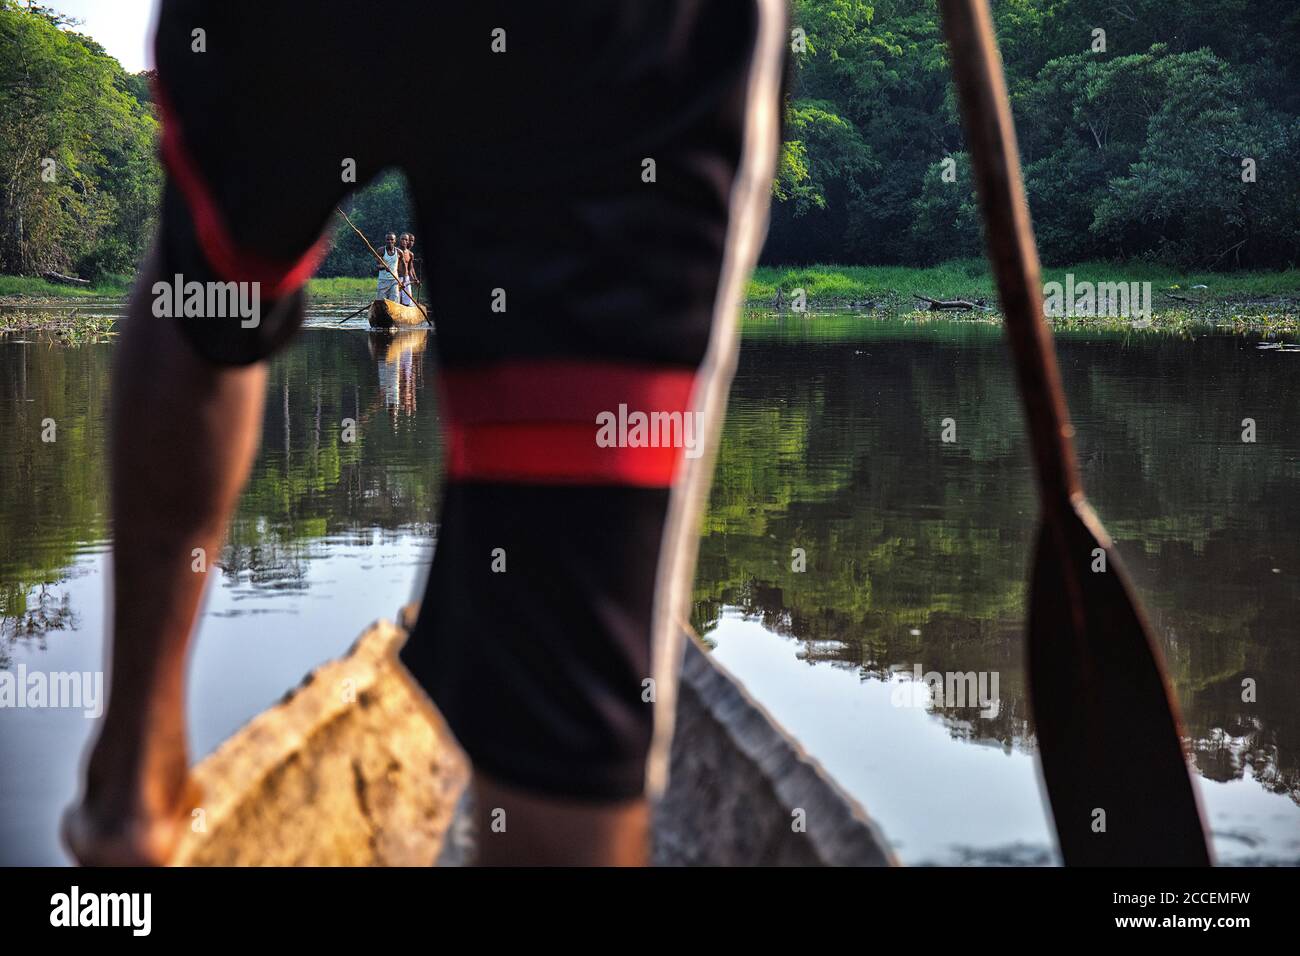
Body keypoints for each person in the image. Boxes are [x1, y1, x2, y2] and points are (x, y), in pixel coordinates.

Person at [63, 0, 786, 867]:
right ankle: (557, 790)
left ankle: (130, 795)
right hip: (603, 41)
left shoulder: (400, 264)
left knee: (212, 278)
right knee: (568, 649)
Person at [378, 232, 401, 301]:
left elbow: (399, 268)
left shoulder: (399, 252)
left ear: (395, 240)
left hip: (394, 280)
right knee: (381, 302)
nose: (390, 241)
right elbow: (377, 266)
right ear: (385, 240)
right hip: (383, 280)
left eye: (392, 239)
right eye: (388, 239)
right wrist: (384, 267)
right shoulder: (381, 251)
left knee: (395, 300)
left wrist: (401, 281)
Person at [397, 232, 418, 305]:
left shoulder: (410, 254)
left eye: (406, 240)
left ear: (408, 241)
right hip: (396, 278)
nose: (404, 241)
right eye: (402, 239)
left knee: (407, 301)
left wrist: (415, 279)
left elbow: (410, 269)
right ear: (399, 240)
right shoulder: (396, 251)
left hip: (406, 279)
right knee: (397, 299)